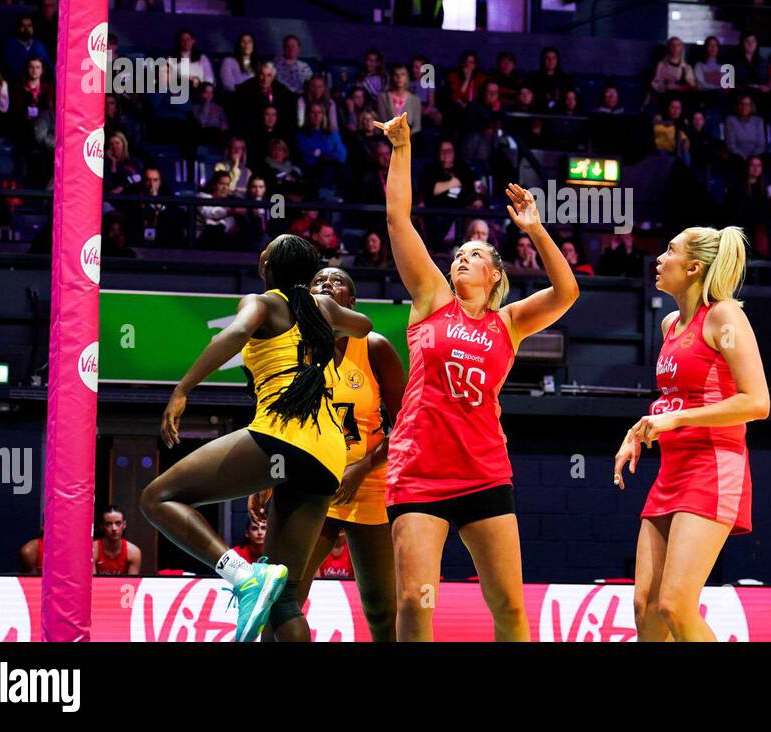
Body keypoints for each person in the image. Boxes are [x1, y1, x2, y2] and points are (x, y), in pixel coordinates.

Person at [373, 112, 579, 641]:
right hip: (419, 472)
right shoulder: (431, 301)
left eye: (476, 255)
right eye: (458, 254)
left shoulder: (508, 323)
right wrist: (402, 148)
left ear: (495, 276)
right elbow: (398, 220)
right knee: (416, 604)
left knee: (509, 607)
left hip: (484, 472)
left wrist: (535, 228)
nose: (462, 258)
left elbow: (566, 293)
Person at [141, 234, 374, 642]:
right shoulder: (322, 307)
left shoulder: (262, 301)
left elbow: (230, 337)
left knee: (157, 498)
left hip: (284, 433)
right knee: (282, 600)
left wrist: (183, 390)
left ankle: (241, 576)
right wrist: (331, 314)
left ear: (268, 265)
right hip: (328, 452)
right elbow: (364, 324)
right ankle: (257, 583)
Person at [615, 226, 769, 641]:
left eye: (670, 251)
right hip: (672, 469)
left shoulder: (725, 315)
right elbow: (673, 400)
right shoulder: (669, 324)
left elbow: (757, 402)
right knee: (645, 605)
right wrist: (640, 427)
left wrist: (677, 420)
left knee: (675, 605)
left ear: (695, 266)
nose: (659, 259)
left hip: (714, 467)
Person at [251, 266, 406, 641]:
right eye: (319, 281)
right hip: (312, 482)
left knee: (381, 607)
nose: (326, 285)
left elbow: (405, 422)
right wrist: (263, 474)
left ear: (350, 303)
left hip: (368, 485)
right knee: (283, 598)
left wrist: (362, 468)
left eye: (337, 281)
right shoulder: (294, 348)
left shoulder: (375, 347)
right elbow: (276, 417)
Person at [93, 505, 142, 575]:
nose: (114, 528)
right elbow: (91, 583)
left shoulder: (133, 552)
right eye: (109, 524)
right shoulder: (92, 550)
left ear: (124, 525)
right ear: (102, 526)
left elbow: (131, 585)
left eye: (118, 523)